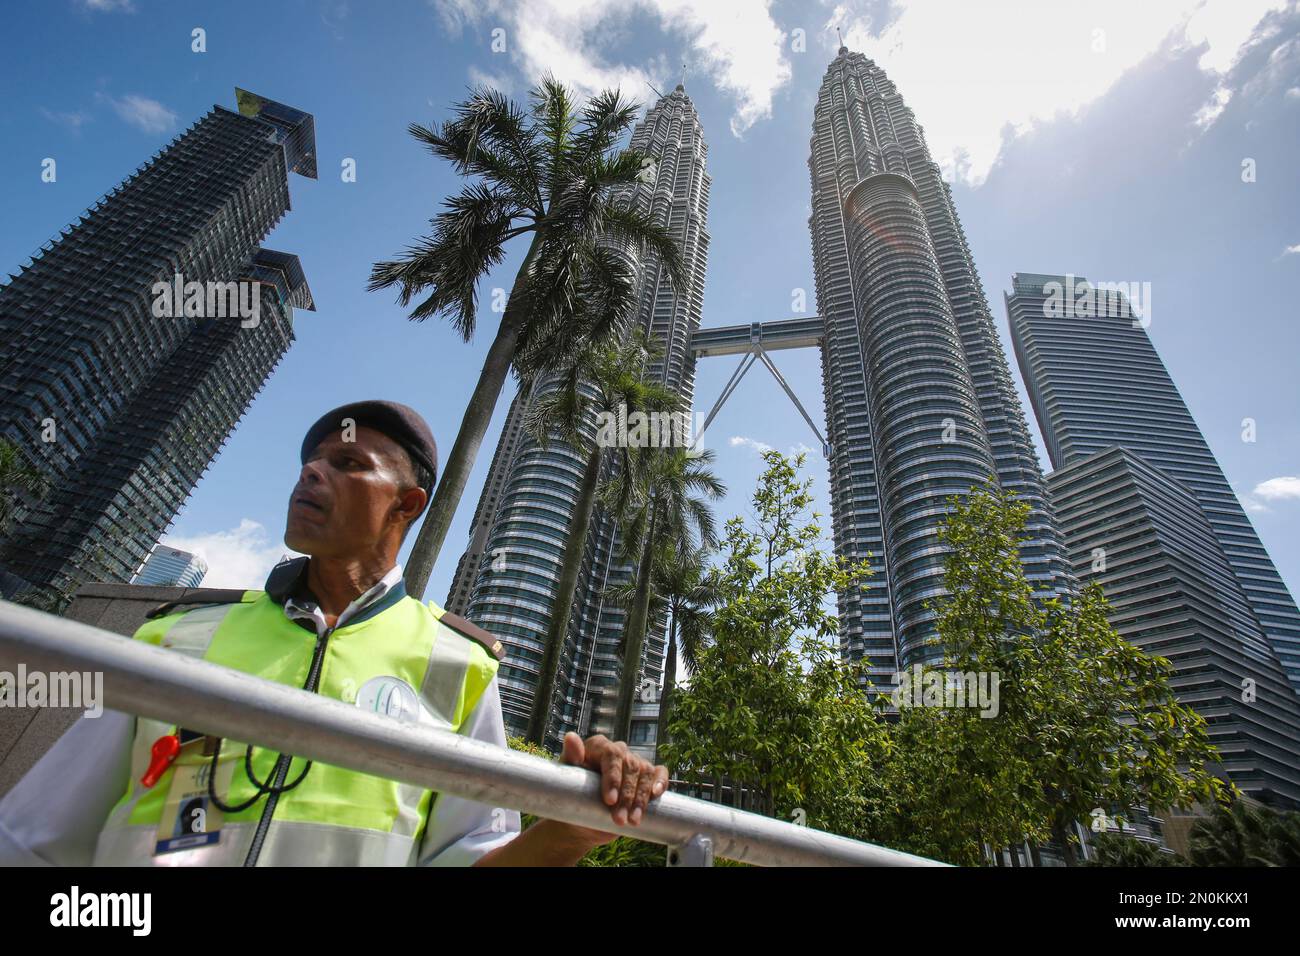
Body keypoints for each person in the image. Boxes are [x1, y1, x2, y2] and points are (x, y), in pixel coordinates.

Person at [0, 400, 668, 866]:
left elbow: (466, 860)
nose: (312, 473)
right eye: (310, 461)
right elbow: (35, 841)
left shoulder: (458, 667)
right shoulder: (179, 639)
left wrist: (569, 834)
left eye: (348, 464)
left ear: (406, 505)